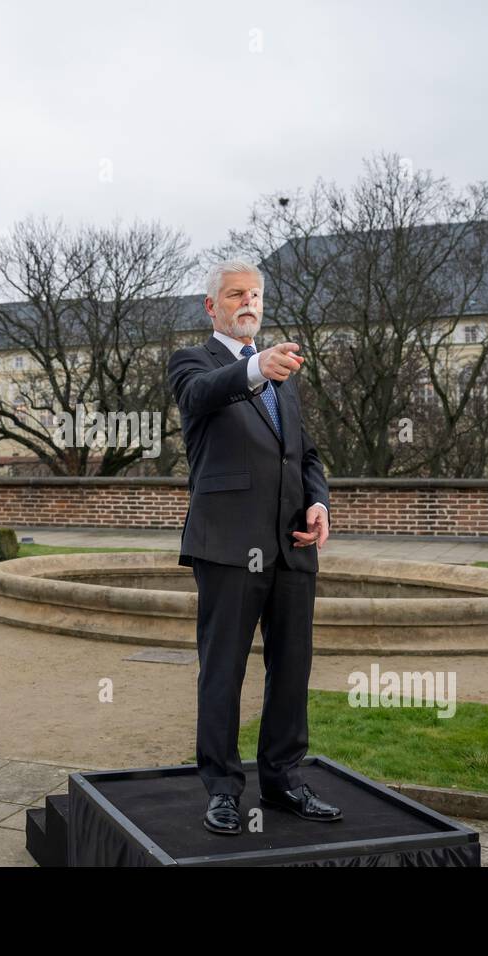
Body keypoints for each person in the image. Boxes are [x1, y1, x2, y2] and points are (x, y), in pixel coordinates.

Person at [167, 258, 343, 835]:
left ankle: (285, 779)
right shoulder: (195, 362)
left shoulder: (282, 376)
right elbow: (201, 396)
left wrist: (318, 503)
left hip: (292, 547)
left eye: (257, 295)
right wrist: (257, 370)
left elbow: (305, 455)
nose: (249, 303)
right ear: (211, 306)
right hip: (228, 547)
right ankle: (221, 788)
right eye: (236, 294)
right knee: (223, 671)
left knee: (292, 668)